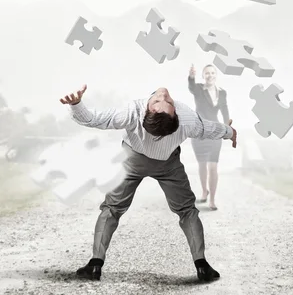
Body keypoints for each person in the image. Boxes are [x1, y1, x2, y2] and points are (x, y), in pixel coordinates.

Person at [59, 84, 237, 282]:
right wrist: (229, 131)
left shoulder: (134, 111)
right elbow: (208, 129)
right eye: (162, 100)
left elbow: (94, 119)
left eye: (167, 101)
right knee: (187, 210)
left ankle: (94, 265)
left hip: (134, 161)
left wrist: (76, 105)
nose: (164, 94)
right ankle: (202, 266)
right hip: (165, 163)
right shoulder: (188, 118)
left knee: (112, 209)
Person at [187, 64, 230, 210]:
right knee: (202, 164)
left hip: (215, 132)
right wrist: (191, 77)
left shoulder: (222, 93)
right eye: (207, 73)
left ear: (216, 75)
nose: (210, 75)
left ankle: (212, 199)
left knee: (213, 166)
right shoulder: (198, 89)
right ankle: (204, 191)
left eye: (212, 73)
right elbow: (191, 87)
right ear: (203, 76)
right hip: (199, 132)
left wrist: (227, 128)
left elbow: (225, 110)